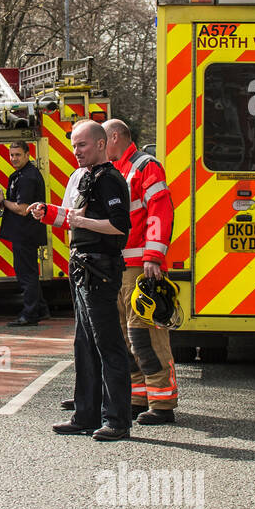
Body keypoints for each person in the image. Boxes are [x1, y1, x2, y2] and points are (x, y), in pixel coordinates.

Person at [29, 120, 133, 441]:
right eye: (74, 145)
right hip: (82, 266)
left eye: (82, 145)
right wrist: (47, 212)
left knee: (108, 345)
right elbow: (73, 219)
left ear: (101, 144)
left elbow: (119, 226)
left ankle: (117, 421)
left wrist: (81, 220)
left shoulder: (111, 180)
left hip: (101, 269)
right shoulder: (85, 177)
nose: (76, 151)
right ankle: (86, 415)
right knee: (84, 345)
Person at [104, 119, 179, 425]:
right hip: (121, 265)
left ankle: (162, 403)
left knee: (145, 335)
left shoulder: (145, 166)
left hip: (138, 266)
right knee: (125, 335)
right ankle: (137, 397)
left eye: (102, 139)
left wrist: (153, 255)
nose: (99, 145)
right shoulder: (117, 170)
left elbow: (160, 210)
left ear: (116, 136)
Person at [0, 141, 49, 326]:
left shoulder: (27, 178)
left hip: (25, 234)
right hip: (25, 233)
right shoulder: (22, 174)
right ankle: (40, 309)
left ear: (27, 154)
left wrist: (3, 200)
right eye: (11, 155)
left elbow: (23, 209)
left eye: (18, 155)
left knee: (27, 275)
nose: (14, 158)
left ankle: (29, 315)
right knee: (29, 272)